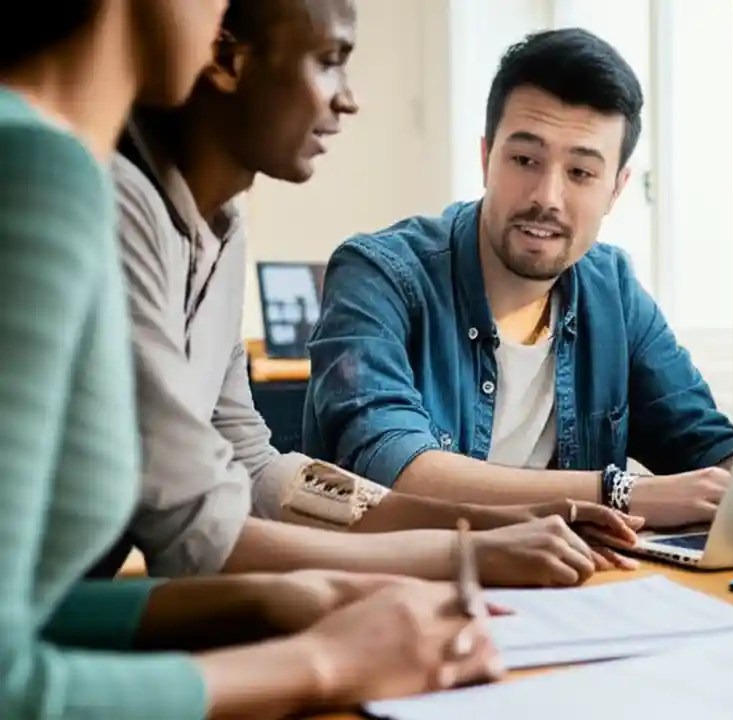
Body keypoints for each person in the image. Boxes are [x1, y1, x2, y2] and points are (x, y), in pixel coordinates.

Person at [0, 2, 501, 719]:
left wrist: (290, 593)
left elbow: (29, 612)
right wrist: (323, 662)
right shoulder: (45, 169)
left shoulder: (217, 225)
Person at [99, 0, 641, 588]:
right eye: (330, 62)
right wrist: (462, 553)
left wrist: (491, 523)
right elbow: (195, 535)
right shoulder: (119, 206)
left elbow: (251, 464)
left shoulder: (221, 224)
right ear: (228, 57)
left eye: (582, 172)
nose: (348, 100)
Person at [304, 28, 733, 529]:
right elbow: (392, 468)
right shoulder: (378, 275)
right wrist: (616, 492)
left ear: (616, 189)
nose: (547, 196)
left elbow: (706, 446)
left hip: (569, 591)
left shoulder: (613, 290)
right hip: (406, 588)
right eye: (525, 160)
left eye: (581, 173)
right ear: (486, 157)